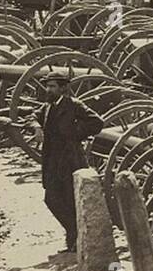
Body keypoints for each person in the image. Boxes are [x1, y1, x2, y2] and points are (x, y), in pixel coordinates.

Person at [33, 70, 105, 252]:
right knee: (51, 199)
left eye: (52, 87)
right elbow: (32, 116)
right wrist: (36, 127)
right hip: (52, 160)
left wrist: (74, 134)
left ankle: (75, 239)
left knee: (70, 199)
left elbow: (97, 122)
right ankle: (73, 232)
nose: (48, 90)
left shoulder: (74, 105)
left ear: (63, 88)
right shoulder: (48, 106)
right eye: (48, 86)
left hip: (71, 159)